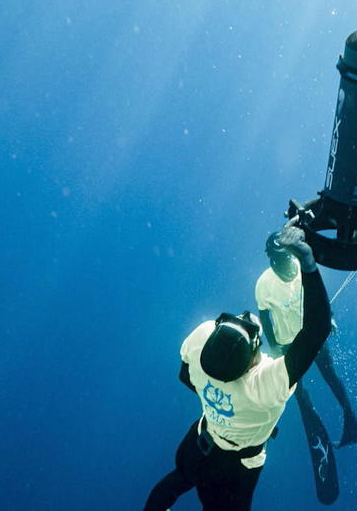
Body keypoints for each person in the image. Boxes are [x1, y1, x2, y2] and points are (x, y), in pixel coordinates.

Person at [144, 217, 332, 511]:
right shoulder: (264, 386)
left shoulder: (201, 340)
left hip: (199, 444)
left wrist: (219, 401)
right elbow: (317, 329)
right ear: (251, 361)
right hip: (239, 468)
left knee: (178, 479)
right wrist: (307, 261)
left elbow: (185, 376)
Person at [254, 232, 357, 503]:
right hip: (288, 346)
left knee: (330, 375)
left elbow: (318, 295)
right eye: (280, 260)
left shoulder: (301, 266)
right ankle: (311, 419)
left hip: (312, 334)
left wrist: (329, 319)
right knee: (297, 392)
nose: (286, 264)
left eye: (287, 257)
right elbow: (265, 318)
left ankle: (349, 418)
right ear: (271, 259)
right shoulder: (264, 284)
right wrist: (274, 345)